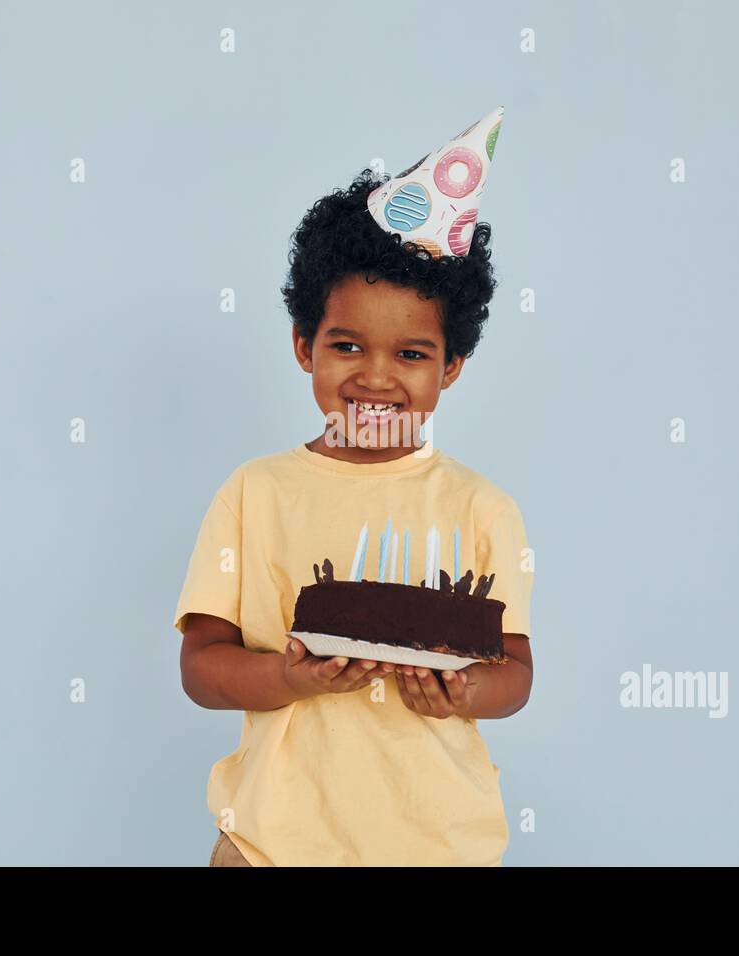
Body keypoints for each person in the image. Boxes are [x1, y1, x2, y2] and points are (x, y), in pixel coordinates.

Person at [174, 109, 534, 865]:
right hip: (271, 842)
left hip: (435, 844)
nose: (374, 377)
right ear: (305, 346)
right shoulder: (255, 494)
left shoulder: (481, 509)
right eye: (346, 345)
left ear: (451, 368)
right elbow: (202, 665)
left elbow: (516, 672)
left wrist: (467, 691)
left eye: (410, 352)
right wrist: (284, 675)